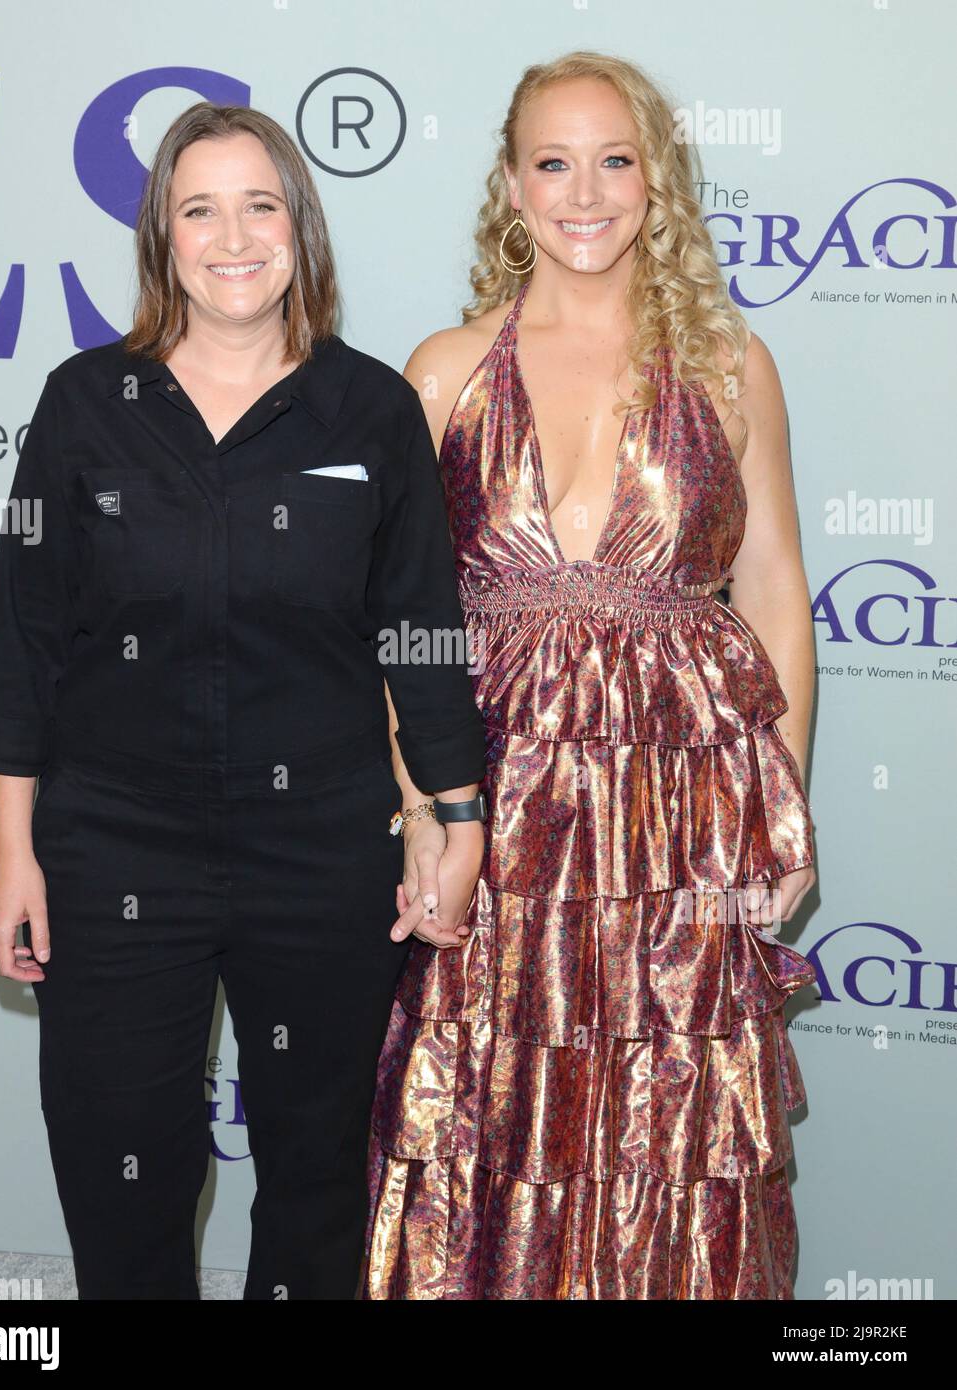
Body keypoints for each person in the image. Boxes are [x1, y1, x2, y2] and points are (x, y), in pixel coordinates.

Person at [0, 101, 487, 1301]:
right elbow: (24, 642)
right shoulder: (85, 403)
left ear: (298, 228)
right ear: (163, 237)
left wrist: (453, 814)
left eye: (260, 204)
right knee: (121, 1177)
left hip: (317, 852)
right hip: (110, 846)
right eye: (200, 208)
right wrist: (12, 848)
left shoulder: (369, 411)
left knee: (315, 1180)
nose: (234, 235)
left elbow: (417, 631)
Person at [362, 52, 819, 1300]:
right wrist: (419, 809)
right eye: (551, 162)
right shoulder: (442, 369)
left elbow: (773, 587)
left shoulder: (730, 367)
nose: (583, 191)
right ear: (509, 187)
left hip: (681, 815)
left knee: (671, 1114)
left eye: (613, 159)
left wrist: (782, 807)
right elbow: (404, 623)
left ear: (654, 182)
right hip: (491, 805)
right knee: (481, 1105)